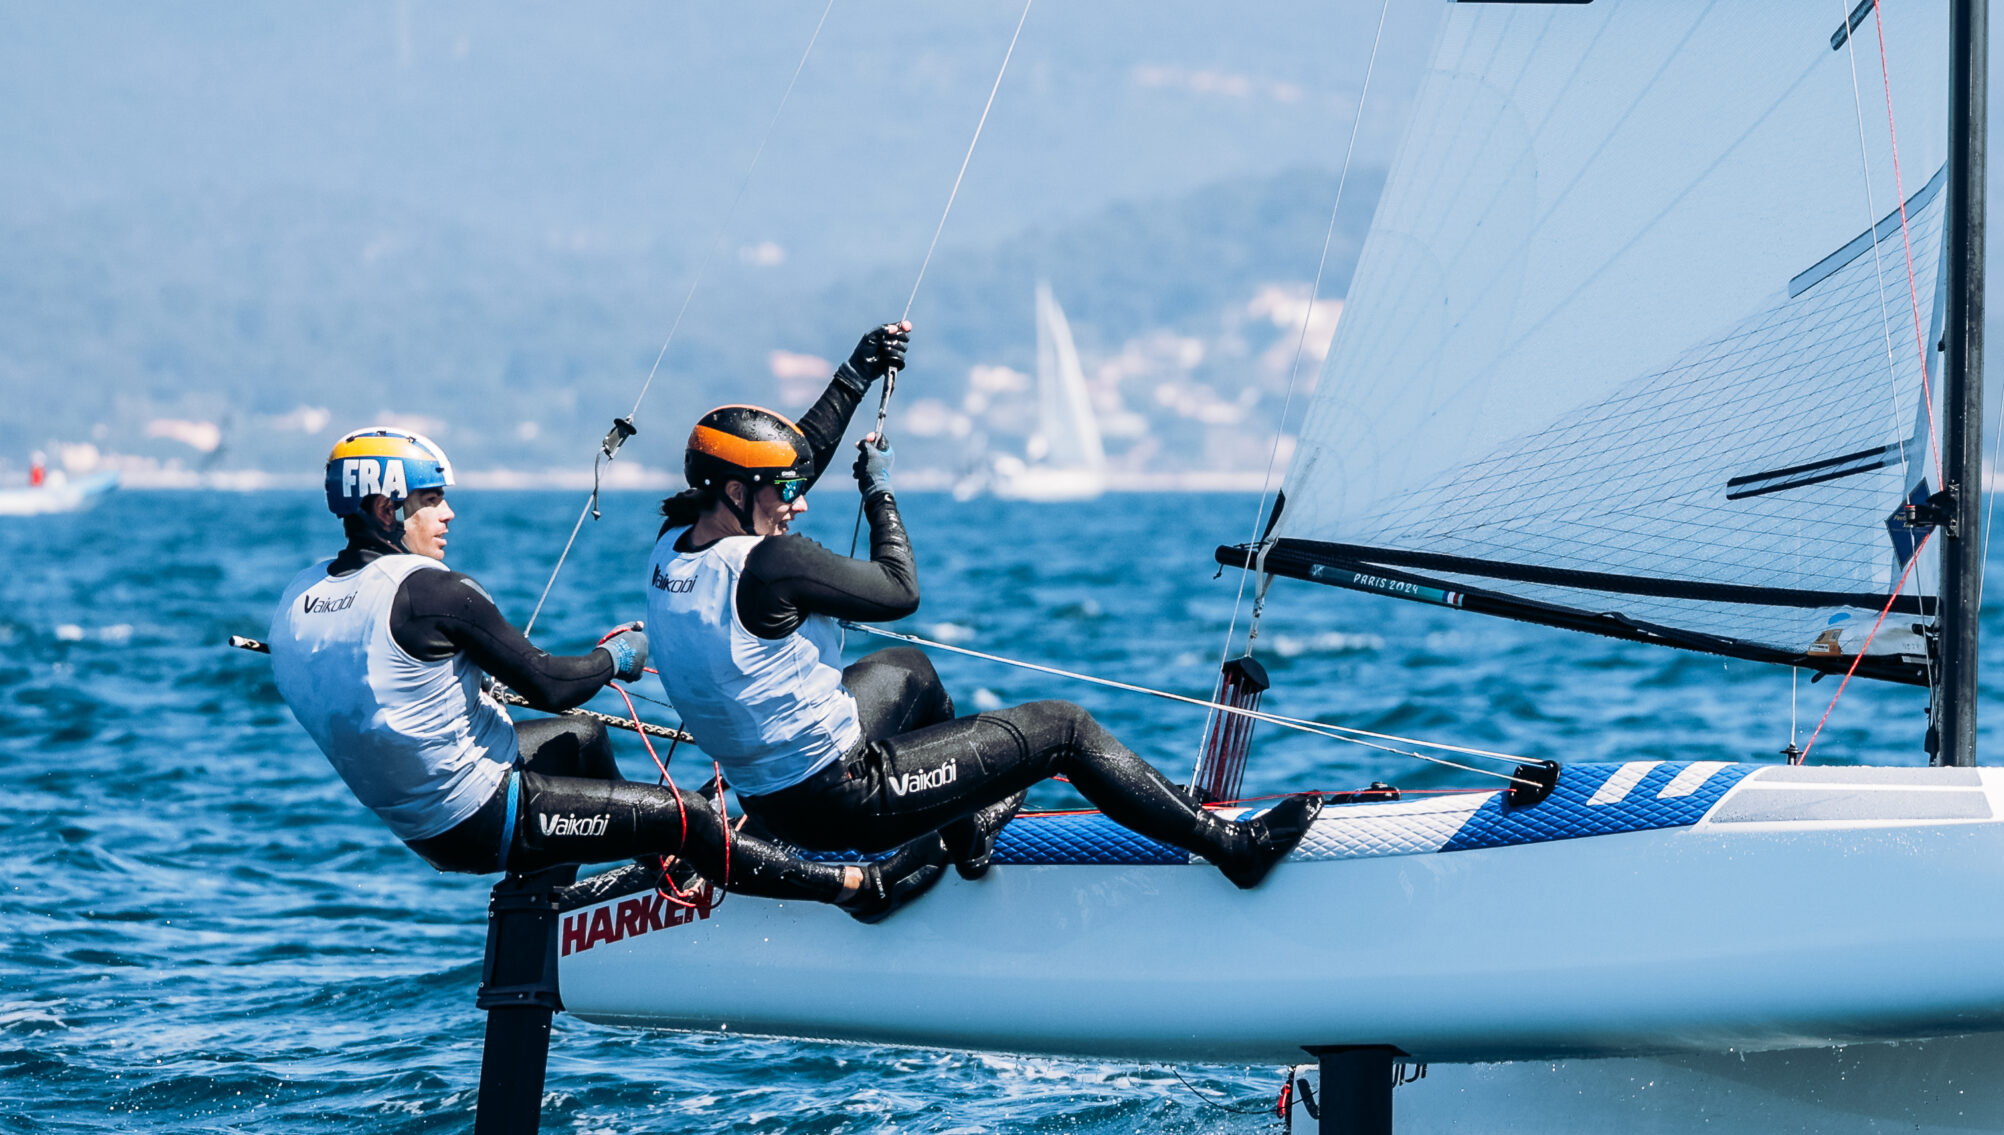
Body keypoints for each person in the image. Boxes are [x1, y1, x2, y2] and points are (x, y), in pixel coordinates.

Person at [648, 322, 1322, 885]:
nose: (797, 500)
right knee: (1064, 730)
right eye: (782, 489)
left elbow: (796, 456)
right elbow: (899, 589)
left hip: (773, 797)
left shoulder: (677, 544)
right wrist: (879, 491)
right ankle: (1235, 851)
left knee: (909, 673)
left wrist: (857, 372)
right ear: (735, 492)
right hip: (843, 797)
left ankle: (964, 847)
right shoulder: (771, 562)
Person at [269, 427, 945, 920]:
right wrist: (619, 658)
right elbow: (554, 686)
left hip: (417, 818)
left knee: (583, 743)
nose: (448, 514)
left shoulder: (297, 602)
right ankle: (855, 888)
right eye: (431, 499)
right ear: (388, 509)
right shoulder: (432, 592)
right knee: (688, 816)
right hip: (478, 817)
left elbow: (368, 693)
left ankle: (646, 875)